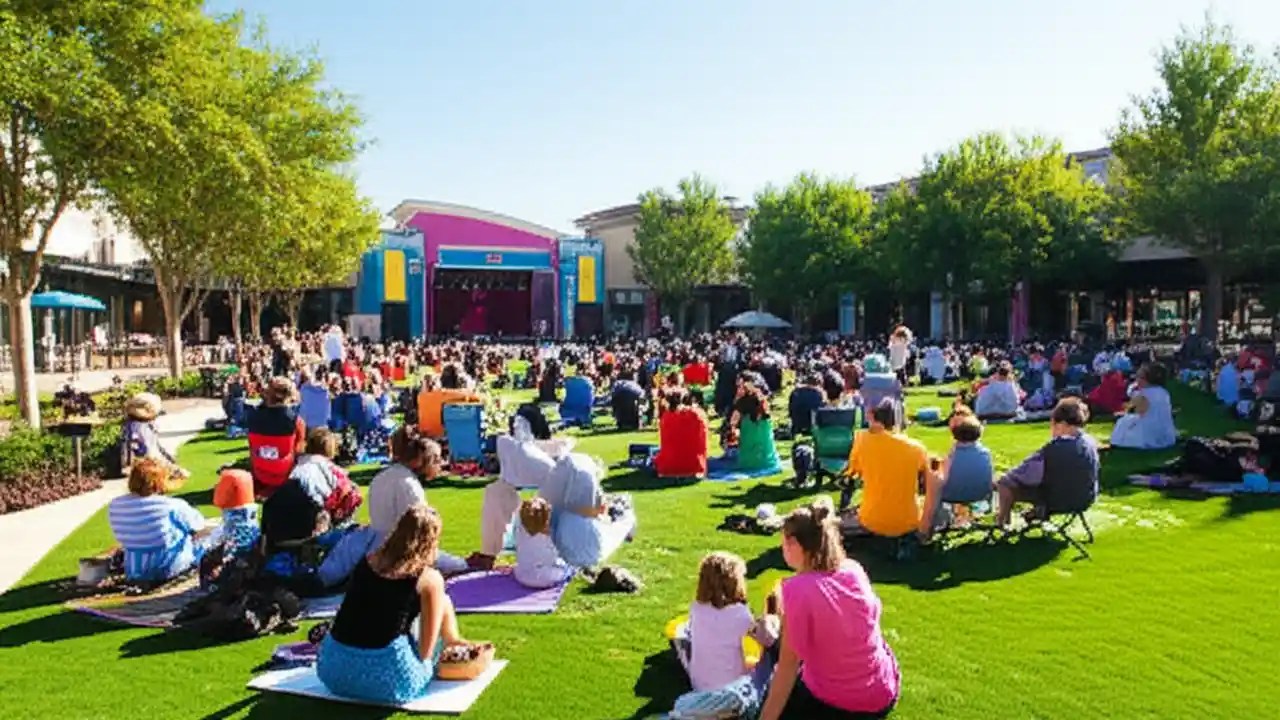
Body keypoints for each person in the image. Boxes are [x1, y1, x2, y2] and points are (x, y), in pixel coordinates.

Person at [316, 506, 477, 705]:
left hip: (334, 671)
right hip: (390, 682)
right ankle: (453, 640)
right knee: (443, 601)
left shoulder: (367, 561)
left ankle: (453, 639)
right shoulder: (429, 579)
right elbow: (425, 652)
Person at [758, 502, 900, 720]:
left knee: (774, 687)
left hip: (840, 705)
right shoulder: (853, 570)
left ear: (793, 543)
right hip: (882, 691)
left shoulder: (797, 590)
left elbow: (788, 667)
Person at [997, 398, 1100, 526]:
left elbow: (1026, 475)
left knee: (1005, 484)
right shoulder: (1090, 442)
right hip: (1085, 499)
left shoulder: (1055, 448)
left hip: (1056, 500)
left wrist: (1006, 476)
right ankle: (1035, 513)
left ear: (1060, 424)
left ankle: (1002, 523)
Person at [840, 399, 935, 538]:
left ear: (872, 415)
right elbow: (928, 481)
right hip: (909, 521)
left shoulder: (861, 440)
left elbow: (852, 472)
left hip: (871, 519)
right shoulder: (917, 448)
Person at [107, 459, 210, 583]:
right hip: (169, 567)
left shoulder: (116, 505)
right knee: (206, 538)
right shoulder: (171, 505)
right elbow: (199, 528)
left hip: (135, 568)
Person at [918, 415, 994, 539]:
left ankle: (931, 525)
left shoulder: (952, 457)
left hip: (953, 495)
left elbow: (944, 477)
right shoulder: (985, 453)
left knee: (935, 486)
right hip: (981, 493)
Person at [247, 377, 306, 497]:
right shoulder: (296, 421)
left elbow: (251, 448)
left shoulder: (253, 417)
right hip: (285, 475)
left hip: (260, 472)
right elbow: (299, 450)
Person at [1110, 363, 1178, 450]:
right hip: (1165, 432)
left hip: (1149, 434)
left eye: (1138, 377)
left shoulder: (1143, 394)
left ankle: (1117, 442)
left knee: (1123, 422)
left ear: (1144, 380)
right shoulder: (1163, 392)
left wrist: (1131, 392)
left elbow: (1139, 410)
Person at [120, 392, 187, 478]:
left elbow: (156, 446)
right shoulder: (134, 427)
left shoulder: (147, 425)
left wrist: (170, 460)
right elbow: (134, 448)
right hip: (145, 464)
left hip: (153, 460)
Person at [513, 497, 569, 589]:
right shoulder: (550, 537)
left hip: (521, 575)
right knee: (566, 568)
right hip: (544, 578)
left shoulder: (520, 531)